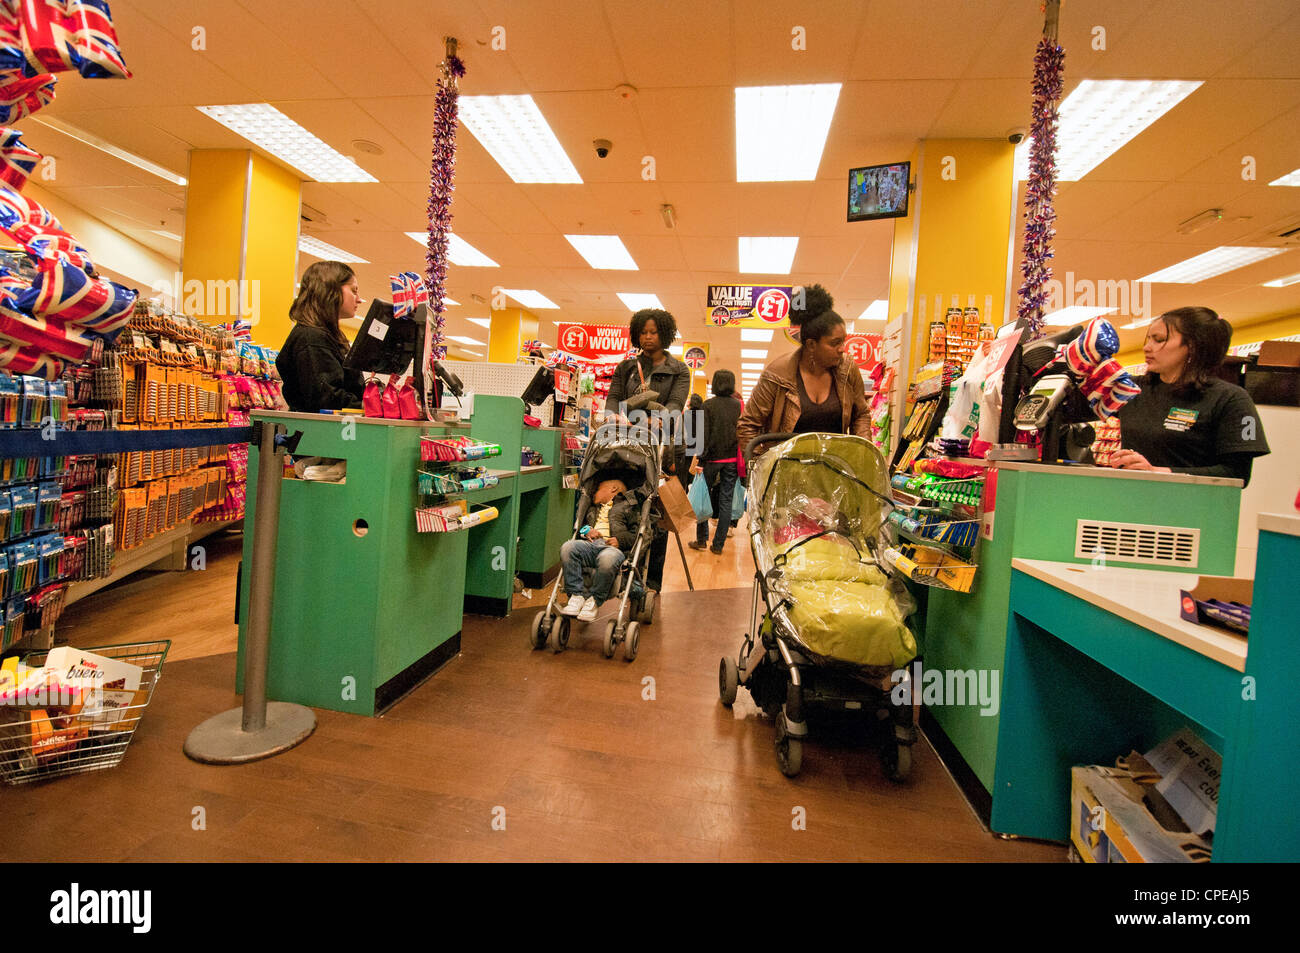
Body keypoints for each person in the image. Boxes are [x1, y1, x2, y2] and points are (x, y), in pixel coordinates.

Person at [1109, 306, 1269, 484]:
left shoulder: (1231, 399)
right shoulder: (1131, 389)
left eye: (1159, 340)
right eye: (1148, 339)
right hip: (1131, 501)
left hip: (1193, 506)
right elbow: (1076, 410)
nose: (1147, 347)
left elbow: (1237, 474)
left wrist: (1157, 472)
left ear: (1192, 346)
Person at [604, 308, 691, 593]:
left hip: (660, 451)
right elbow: (614, 398)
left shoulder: (679, 370)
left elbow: (677, 403)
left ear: (664, 334)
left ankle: (651, 583)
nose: (648, 337)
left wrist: (662, 418)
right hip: (624, 450)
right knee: (624, 507)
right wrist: (612, 415)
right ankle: (625, 574)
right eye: (643, 332)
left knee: (656, 514)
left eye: (654, 332)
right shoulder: (626, 367)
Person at [737, 284, 869, 456]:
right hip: (787, 473)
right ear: (811, 345)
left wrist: (863, 455)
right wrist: (764, 468)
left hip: (834, 471)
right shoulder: (777, 375)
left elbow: (861, 414)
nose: (842, 349)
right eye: (835, 343)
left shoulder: (848, 369)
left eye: (843, 341)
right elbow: (747, 425)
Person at [276, 261, 365, 412]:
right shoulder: (311, 337)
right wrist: (366, 405)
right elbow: (326, 397)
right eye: (354, 291)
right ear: (331, 290)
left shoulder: (327, 336)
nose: (359, 299)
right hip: (319, 431)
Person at [559, 476, 639, 622]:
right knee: (568, 547)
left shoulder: (628, 507)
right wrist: (587, 530)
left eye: (598, 489)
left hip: (612, 548)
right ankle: (576, 596)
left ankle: (594, 600)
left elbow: (639, 534)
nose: (594, 492)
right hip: (591, 545)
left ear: (613, 489)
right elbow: (580, 528)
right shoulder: (592, 509)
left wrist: (620, 540)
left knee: (607, 559)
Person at [689, 369, 742, 554]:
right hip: (732, 460)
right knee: (725, 501)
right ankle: (718, 545)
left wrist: (700, 459)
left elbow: (702, 434)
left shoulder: (708, 405)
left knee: (703, 495)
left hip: (710, 458)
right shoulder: (739, 406)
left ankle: (702, 539)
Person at [666, 393, 704, 493]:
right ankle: (693, 496)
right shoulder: (703, 416)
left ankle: (683, 495)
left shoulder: (684, 416)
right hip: (698, 451)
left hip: (686, 450)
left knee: (683, 475)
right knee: (694, 475)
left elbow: (680, 433)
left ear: (691, 402)